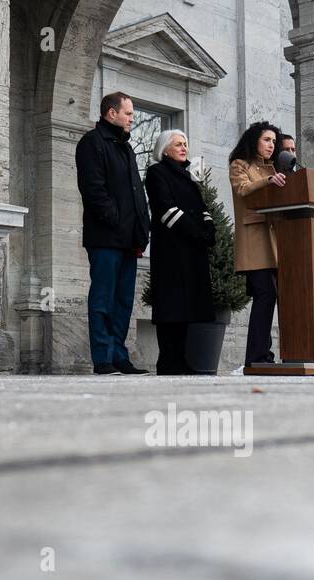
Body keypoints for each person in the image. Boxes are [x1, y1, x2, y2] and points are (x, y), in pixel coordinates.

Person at [75, 92, 152, 375]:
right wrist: (117, 221)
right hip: (106, 237)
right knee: (103, 298)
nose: (132, 118)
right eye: (128, 113)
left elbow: (135, 193)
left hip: (129, 239)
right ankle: (103, 358)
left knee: (123, 302)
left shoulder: (126, 147)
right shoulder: (92, 143)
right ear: (111, 114)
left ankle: (120, 356)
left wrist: (141, 229)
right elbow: (94, 191)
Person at [144, 131, 217, 375]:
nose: (184, 147)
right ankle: (168, 361)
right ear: (165, 149)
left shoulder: (189, 177)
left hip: (191, 252)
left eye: (186, 144)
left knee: (187, 307)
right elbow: (166, 210)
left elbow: (203, 208)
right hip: (171, 252)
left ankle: (181, 360)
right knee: (171, 306)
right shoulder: (157, 173)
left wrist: (209, 229)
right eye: (178, 144)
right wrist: (197, 233)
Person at [228, 122, 285, 368]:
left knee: (272, 296)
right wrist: (269, 180)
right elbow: (243, 189)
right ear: (254, 140)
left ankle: (265, 355)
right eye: (266, 140)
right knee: (266, 294)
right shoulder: (240, 164)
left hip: (276, 241)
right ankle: (257, 357)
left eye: (274, 141)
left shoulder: (274, 168)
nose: (271, 145)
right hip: (254, 241)